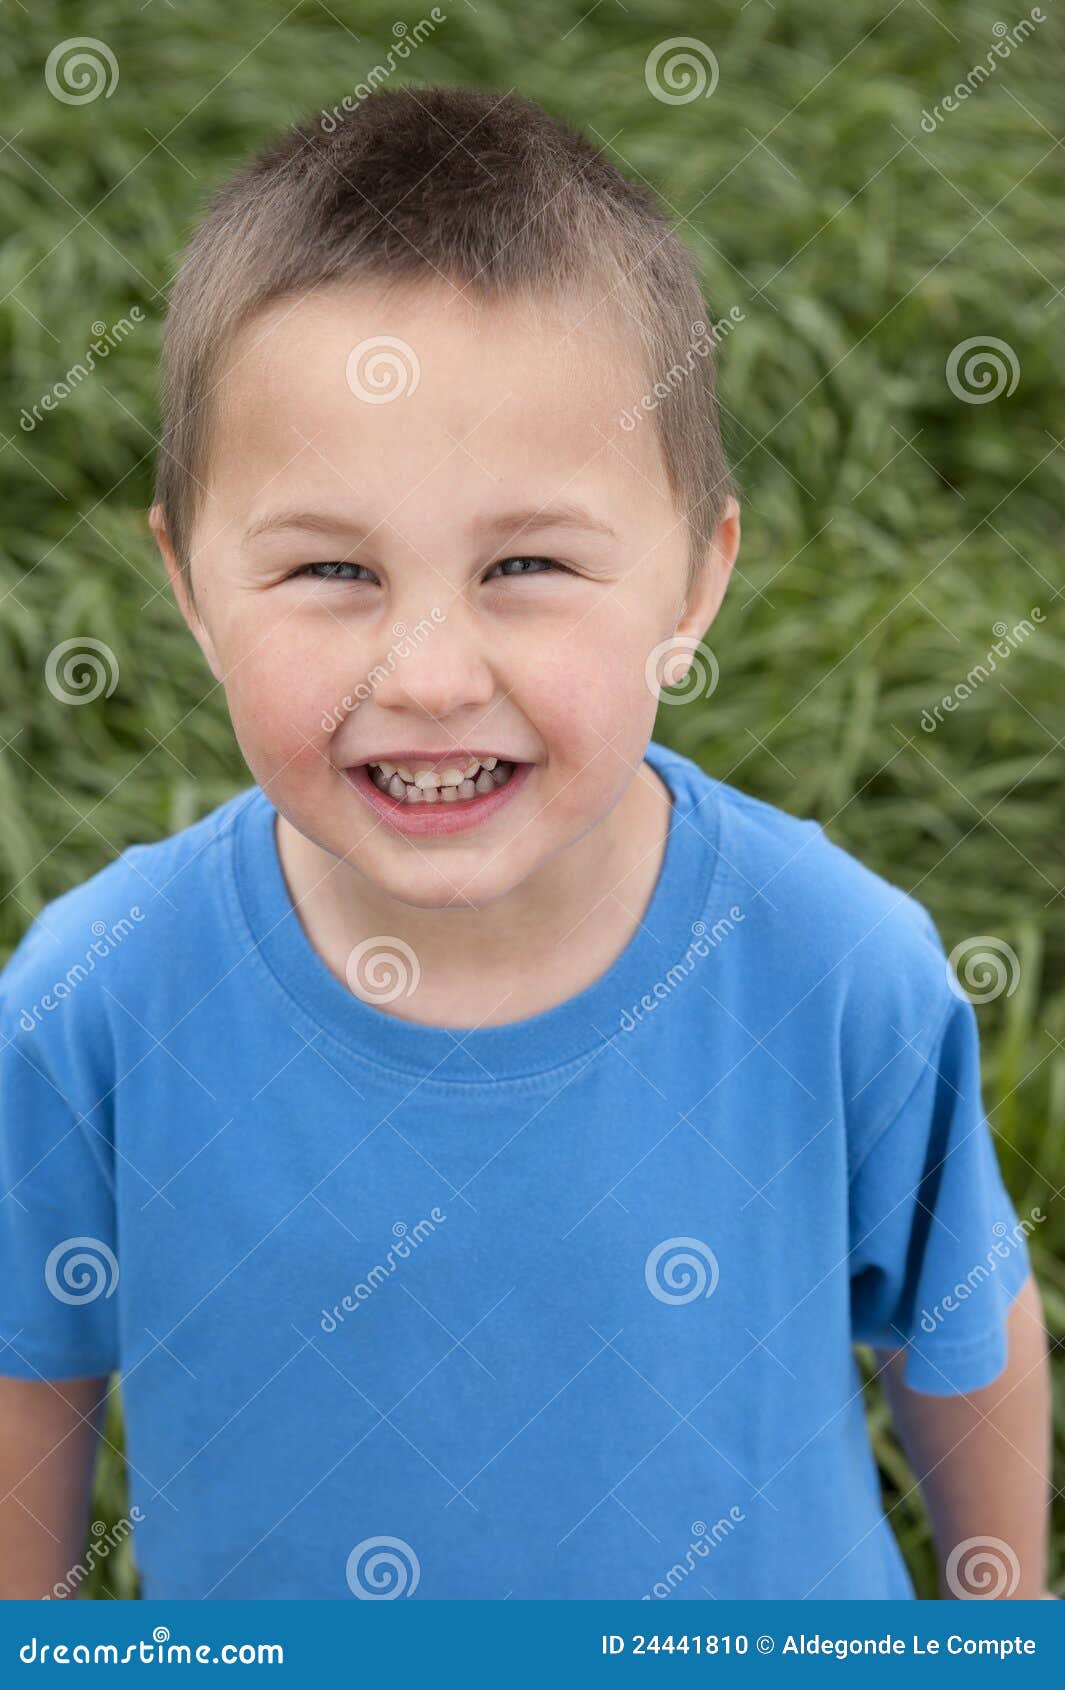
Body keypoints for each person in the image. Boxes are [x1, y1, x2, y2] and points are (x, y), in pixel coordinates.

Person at [0, 86, 1051, 1601]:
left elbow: (959, 1320)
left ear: (694, 577)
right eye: (331, 568)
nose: (427, 673)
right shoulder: (96, 999)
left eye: (528, 563)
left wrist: (996, 1619)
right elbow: (31, 1365)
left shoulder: (837, 966)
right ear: (188, 582)